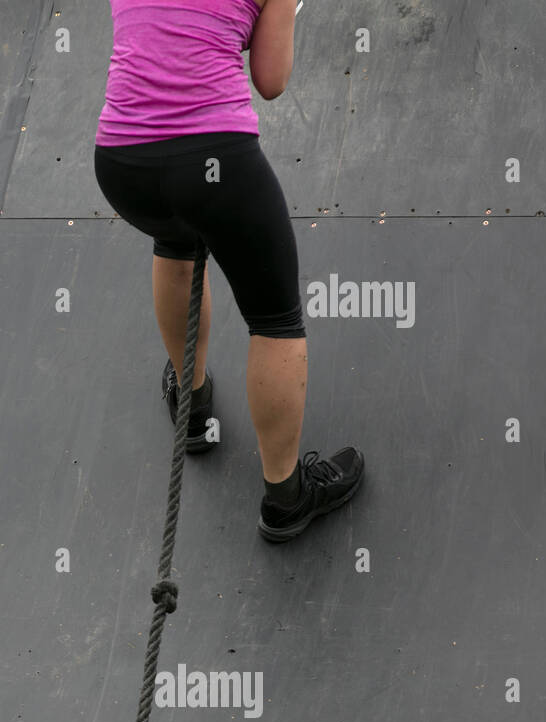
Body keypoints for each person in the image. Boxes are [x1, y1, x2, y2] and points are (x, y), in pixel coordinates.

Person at [92, 0, 363, 542]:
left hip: (123, 163)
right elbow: (270, 79)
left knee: (175, 238)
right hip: (212, 163)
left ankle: (191, 403)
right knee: (275, 318)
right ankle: (287, 498)